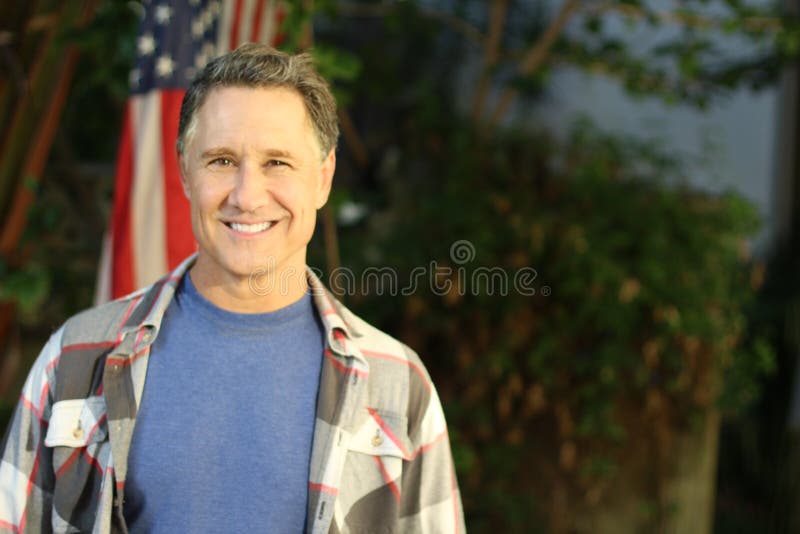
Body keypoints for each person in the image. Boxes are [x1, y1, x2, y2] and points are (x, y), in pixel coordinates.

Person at [0, 44, 465, 533]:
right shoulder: (76, 360)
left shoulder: (397, 385)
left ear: (323, 178)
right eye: (222, 160)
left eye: (277, 163)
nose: (246, 196)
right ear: (185, 170)